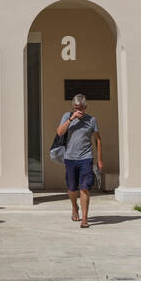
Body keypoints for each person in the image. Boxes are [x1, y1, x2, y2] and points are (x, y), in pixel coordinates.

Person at [56, 93, 103, 228]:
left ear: (85, 107)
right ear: (73, 107)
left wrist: (99, 159)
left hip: (86, 158)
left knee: (84, 188)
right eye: (76, 108)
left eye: (81, 108)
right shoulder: (67, 116)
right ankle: (74, 207)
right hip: (70, 158)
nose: (78, 110)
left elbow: (98, 139)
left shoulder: (91, 120)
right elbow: (59, 132)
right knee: (72, 189)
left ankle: (85, 219)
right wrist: (72, 119)